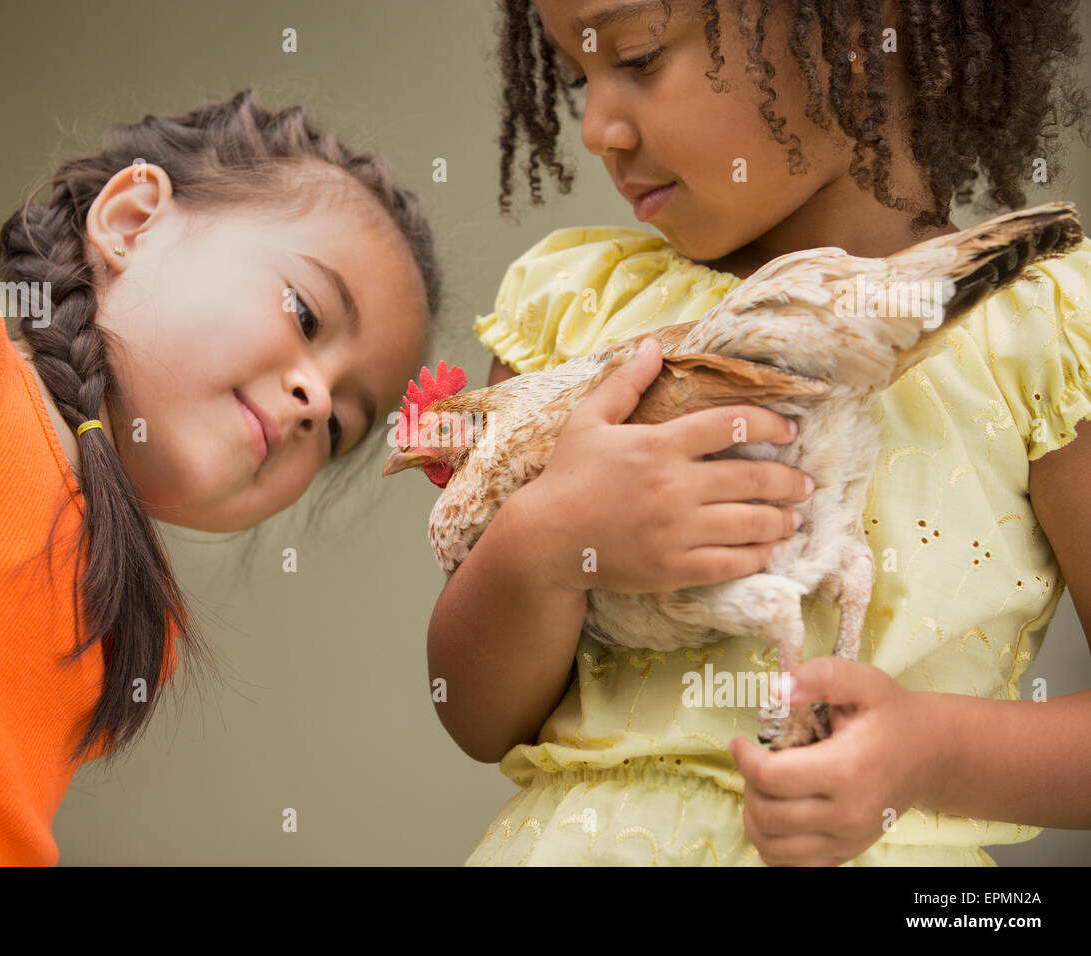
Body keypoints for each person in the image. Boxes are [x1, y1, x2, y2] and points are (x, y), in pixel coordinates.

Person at [432, 0, 1091, 865]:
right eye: (573, 78)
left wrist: (930, 753)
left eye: (635, 57)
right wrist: (544, 542)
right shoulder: (575, 307)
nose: (595, 128)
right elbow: (477, 716)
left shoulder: (1042, 332)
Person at [0, 89, 442, 865]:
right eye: (304, 314)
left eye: (339, 427)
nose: (316, 400)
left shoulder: (141, 621)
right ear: (131, 221)